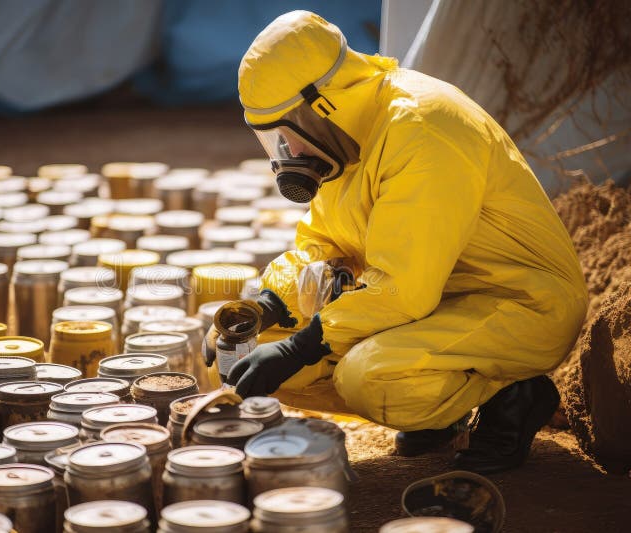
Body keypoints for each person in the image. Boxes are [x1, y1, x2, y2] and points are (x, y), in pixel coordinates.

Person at [204, 10, 589, 474]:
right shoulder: (344, 141)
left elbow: (402, 286)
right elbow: (321, 243)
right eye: (273, 140)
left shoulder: (424, 128)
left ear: (323, 103)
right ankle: (439, 409)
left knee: (368, 377)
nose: (288, 154)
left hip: (514, 303)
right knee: (240, 348)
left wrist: (301, 346)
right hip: (422, 304)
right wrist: (265, 304)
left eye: (287, 132)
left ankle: (513, 396)